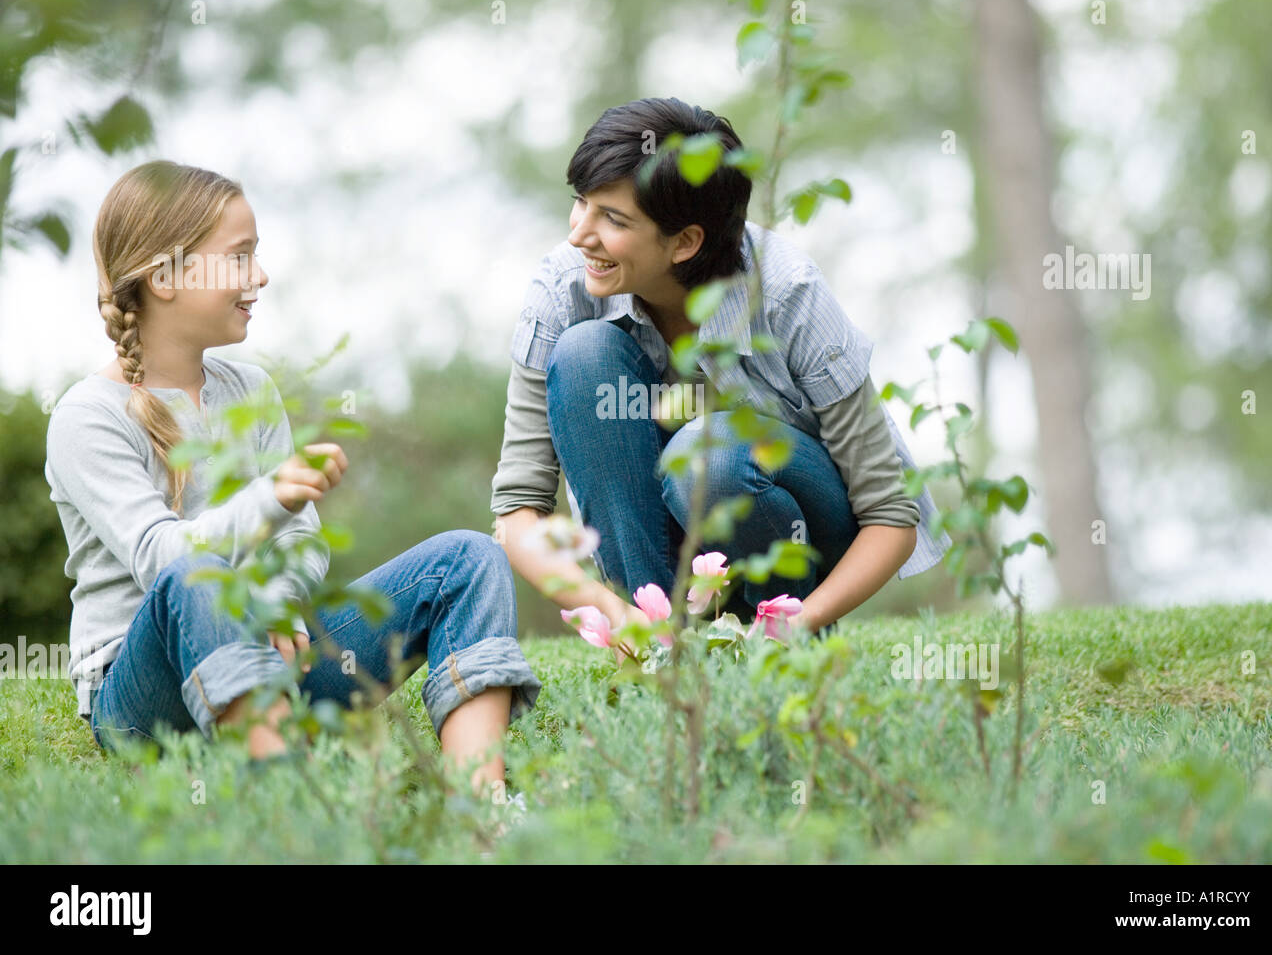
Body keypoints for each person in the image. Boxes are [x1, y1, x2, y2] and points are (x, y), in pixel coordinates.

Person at [45, 160, 540, 791]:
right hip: (147, 701)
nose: (261, 276)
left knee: (469, 559)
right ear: (165, 276)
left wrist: (279, 604)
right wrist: (267, 497)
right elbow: (158, 556)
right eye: (241, 256)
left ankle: (483, 805)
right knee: (197, 576)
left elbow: (296, 540)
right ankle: (287, 809)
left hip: (278, 657)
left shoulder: (249, 389)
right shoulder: (87, 417)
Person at [490, 97, 951, 638]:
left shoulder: (786, 293)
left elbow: (890, 517)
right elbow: (517, 510)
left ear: (685, 241)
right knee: (585, 352)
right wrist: (612, 613)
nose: (578, 234)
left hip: (800, 522)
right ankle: (666, 642)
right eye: (581, 203)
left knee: (710, 456)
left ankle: (772, 635)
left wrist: (799, 622)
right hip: (666, 563)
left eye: (612, 219)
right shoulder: (563, 287)